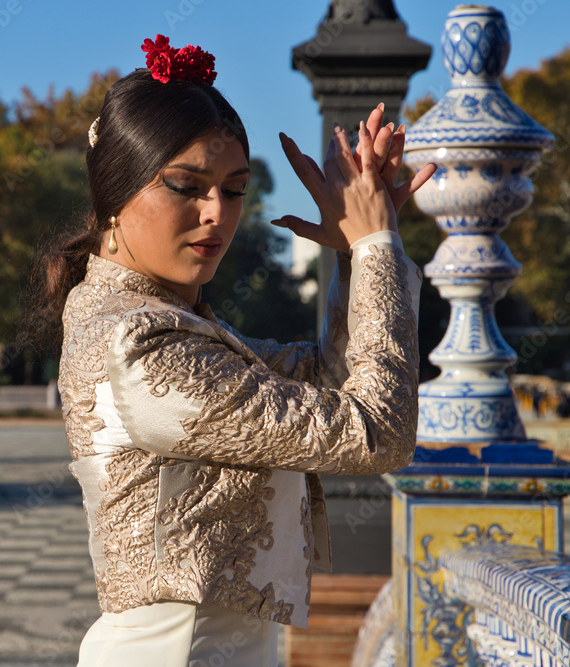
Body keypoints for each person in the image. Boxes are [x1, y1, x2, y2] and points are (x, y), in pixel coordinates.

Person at [26, 34, 435, 667]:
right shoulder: (137, 342)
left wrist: (359, 257)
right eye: (187, 186)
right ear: (114, 192)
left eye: (235, 189)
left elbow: (331, 383)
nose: (217, 213)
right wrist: (377, 244)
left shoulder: (171, 323)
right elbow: (375, 432)